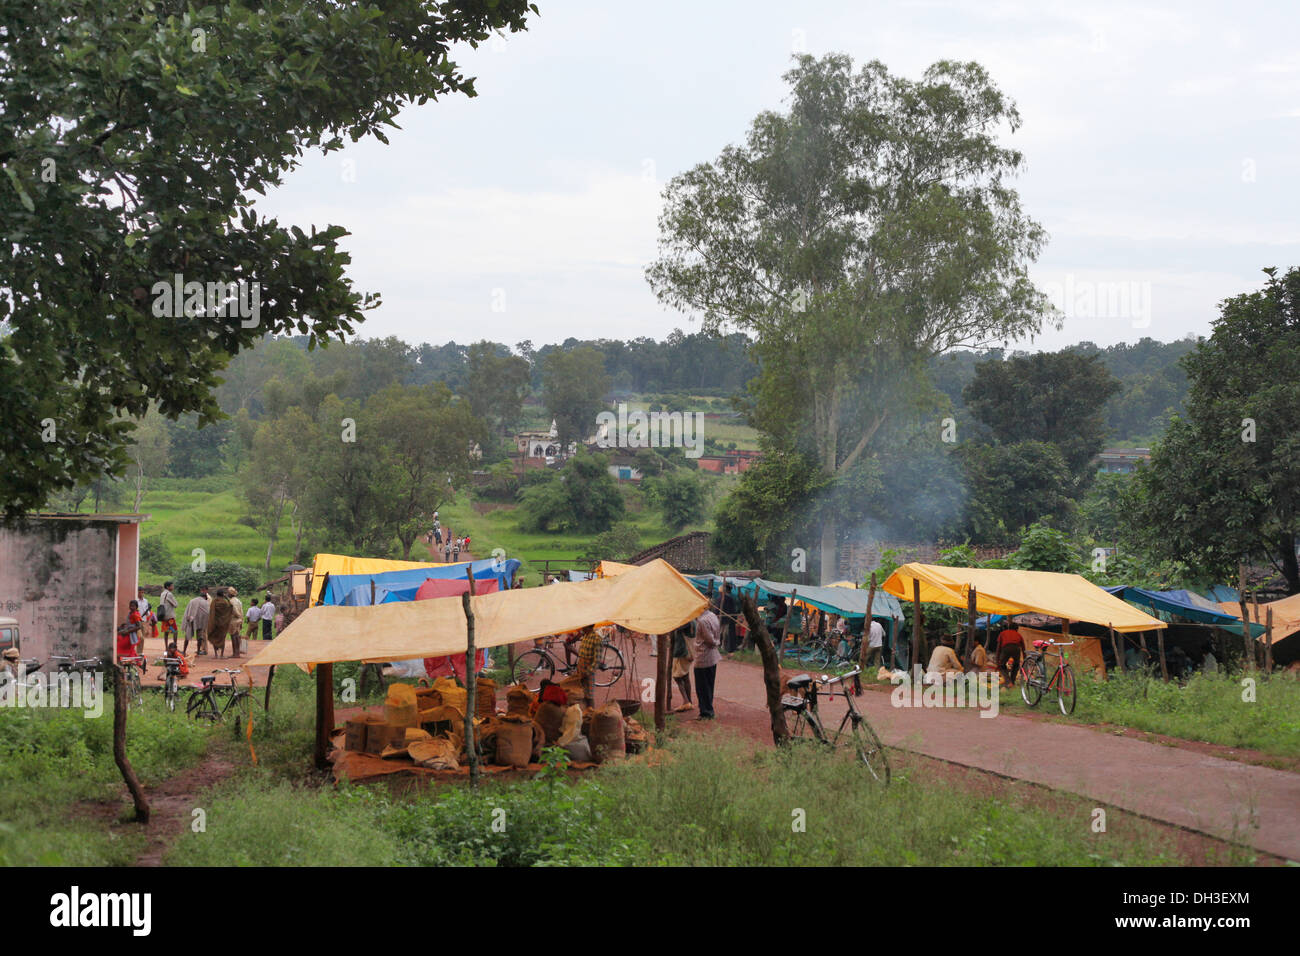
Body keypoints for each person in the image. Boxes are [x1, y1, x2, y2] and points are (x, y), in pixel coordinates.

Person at [693, 604, 722, 720]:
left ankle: (706, 712)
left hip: (703, 656)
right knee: (709, 685)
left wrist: (715, 643)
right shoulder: (712, 615)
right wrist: (717, 642)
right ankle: (707, 709)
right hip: (713, 656)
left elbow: (709, 640)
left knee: (702, 687)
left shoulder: (702, 620)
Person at [573, 625, 604, 708]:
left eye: (584, 627)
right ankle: (585, 712)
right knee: (581, 692)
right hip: (581, 667)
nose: (582, 629)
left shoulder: (597, 638)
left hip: (588, 670)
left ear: (589, 627)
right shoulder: (586, 636)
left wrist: (588, 672)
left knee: (589, 695)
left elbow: (597, 660)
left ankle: (591, 713)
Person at [669, 624, 693, 711]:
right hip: (687, 652)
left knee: (677, 677)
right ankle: (689, 701)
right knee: (685, 676)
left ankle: (686, 701)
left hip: (682, 652)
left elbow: (673, 627)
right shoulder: (692, 620)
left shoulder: (686, 621)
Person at [182, 587, 210, 656]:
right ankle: (198, 651)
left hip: (190, 620)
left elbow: (187, 611)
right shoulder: (206, 602)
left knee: (187, 636)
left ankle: (184, 651)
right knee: (200, 637)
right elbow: (207, 613)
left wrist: (188, 618)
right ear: (205, 597)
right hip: (200, 622)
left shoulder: (192, 600)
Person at [207, 588, 233, 659]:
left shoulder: (214, 602)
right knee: (222, 638)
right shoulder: (225, 603)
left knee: (215, 637)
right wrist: (227, 598)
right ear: (223, 595)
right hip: (223, 624)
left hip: (215, 623)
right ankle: (221, 654)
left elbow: (211, 612)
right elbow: (231, 607)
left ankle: (216, 655)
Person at [996, 620, 1025, 686]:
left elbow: (998, 648)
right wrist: (1025, 658)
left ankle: (1009, 682)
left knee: (1002, 665)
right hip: (1016, 648)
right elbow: (1023, 648)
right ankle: (1012, 681)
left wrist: (997, 660)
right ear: (1017, 629)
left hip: (1006, 648)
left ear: (1008, 627)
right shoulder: (1019, 635)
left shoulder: (1002, 633)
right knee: (1016, 665)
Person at [117, 599, 144, 667]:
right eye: (131, 606)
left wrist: (128, 631)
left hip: (132, 635)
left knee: (121, 646)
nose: (132, 607)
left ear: (136, 607)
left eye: (133, 606)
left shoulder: (135, 614)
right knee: (131, 649)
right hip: (129, 633)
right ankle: (137, 663)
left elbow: (139, 626)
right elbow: (131, 623)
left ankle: (130, 664)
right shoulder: (131, 613)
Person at [227, 587, 244, 658]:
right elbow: (241, 611)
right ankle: (237, 652)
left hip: (233, 620)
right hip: (239, 620)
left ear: (230, 594)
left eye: (228, 593)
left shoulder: (231, 601)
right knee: (237, 636)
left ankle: (235, 653)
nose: (227, 594)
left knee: (233, 637)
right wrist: (241, 618)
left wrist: (238, 616)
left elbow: (235, 611)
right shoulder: (238, 601)